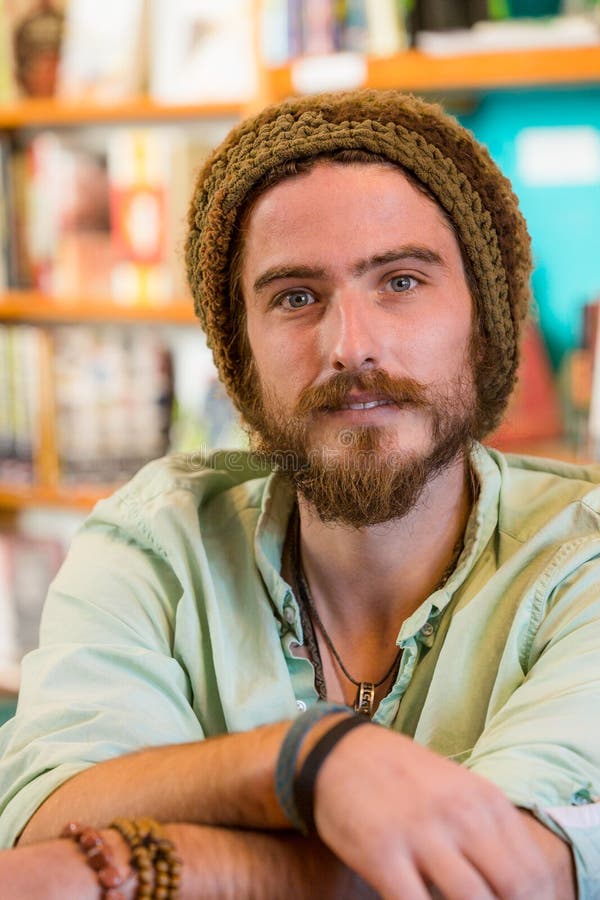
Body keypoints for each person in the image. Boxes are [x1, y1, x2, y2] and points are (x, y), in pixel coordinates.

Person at [0, 88, 598, 899]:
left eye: (401, 281)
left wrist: (170, 861)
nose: (352, 346)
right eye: (295, 297)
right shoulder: (157, 540)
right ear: (240, 358)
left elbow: (507, 875)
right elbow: (45, 822)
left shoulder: (583, 561)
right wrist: (301, 765)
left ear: (485, 326)